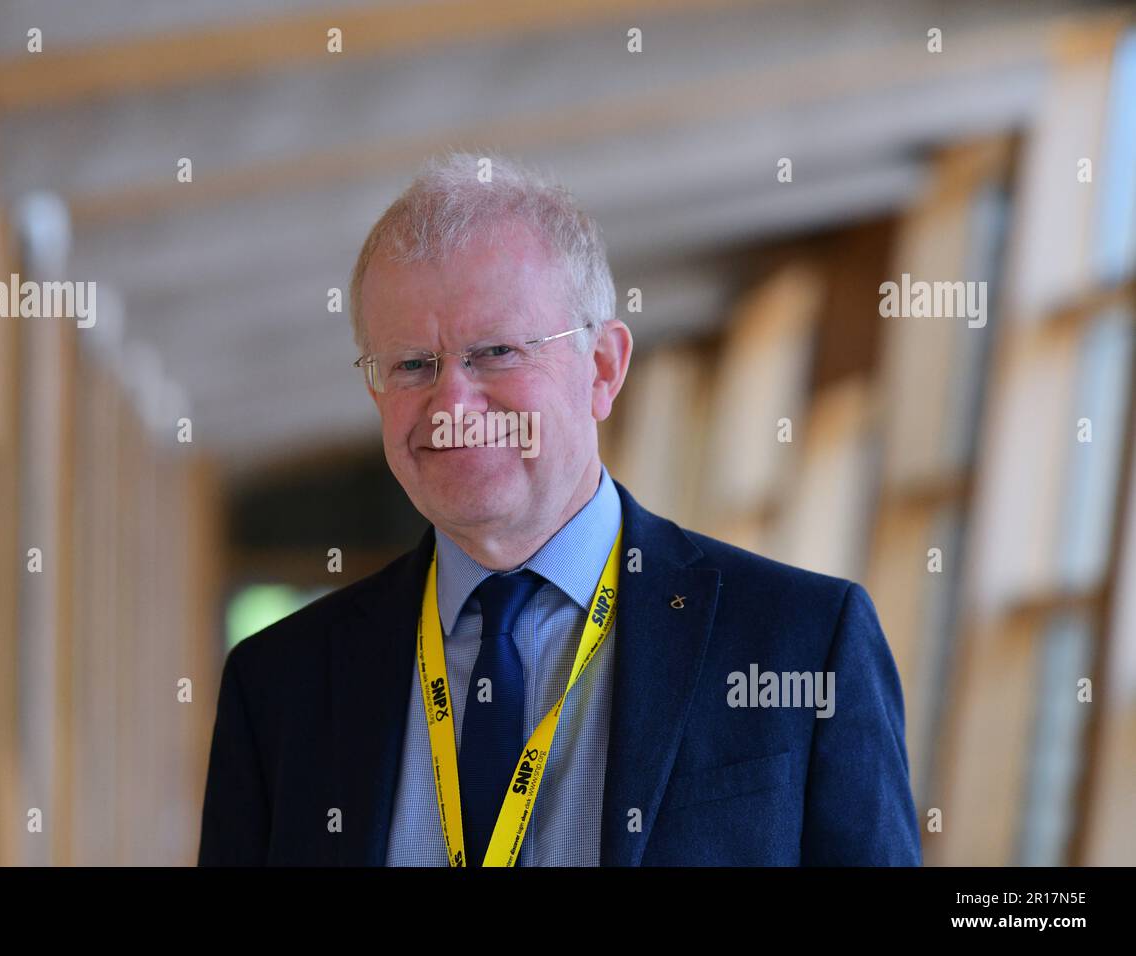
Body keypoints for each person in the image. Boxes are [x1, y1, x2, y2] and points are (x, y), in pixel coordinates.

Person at [198, 152, 922, 866]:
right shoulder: (279, 688)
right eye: (413, 365)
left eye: (497, 352)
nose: (452, 404)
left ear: (603, 368)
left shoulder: (800, 643)